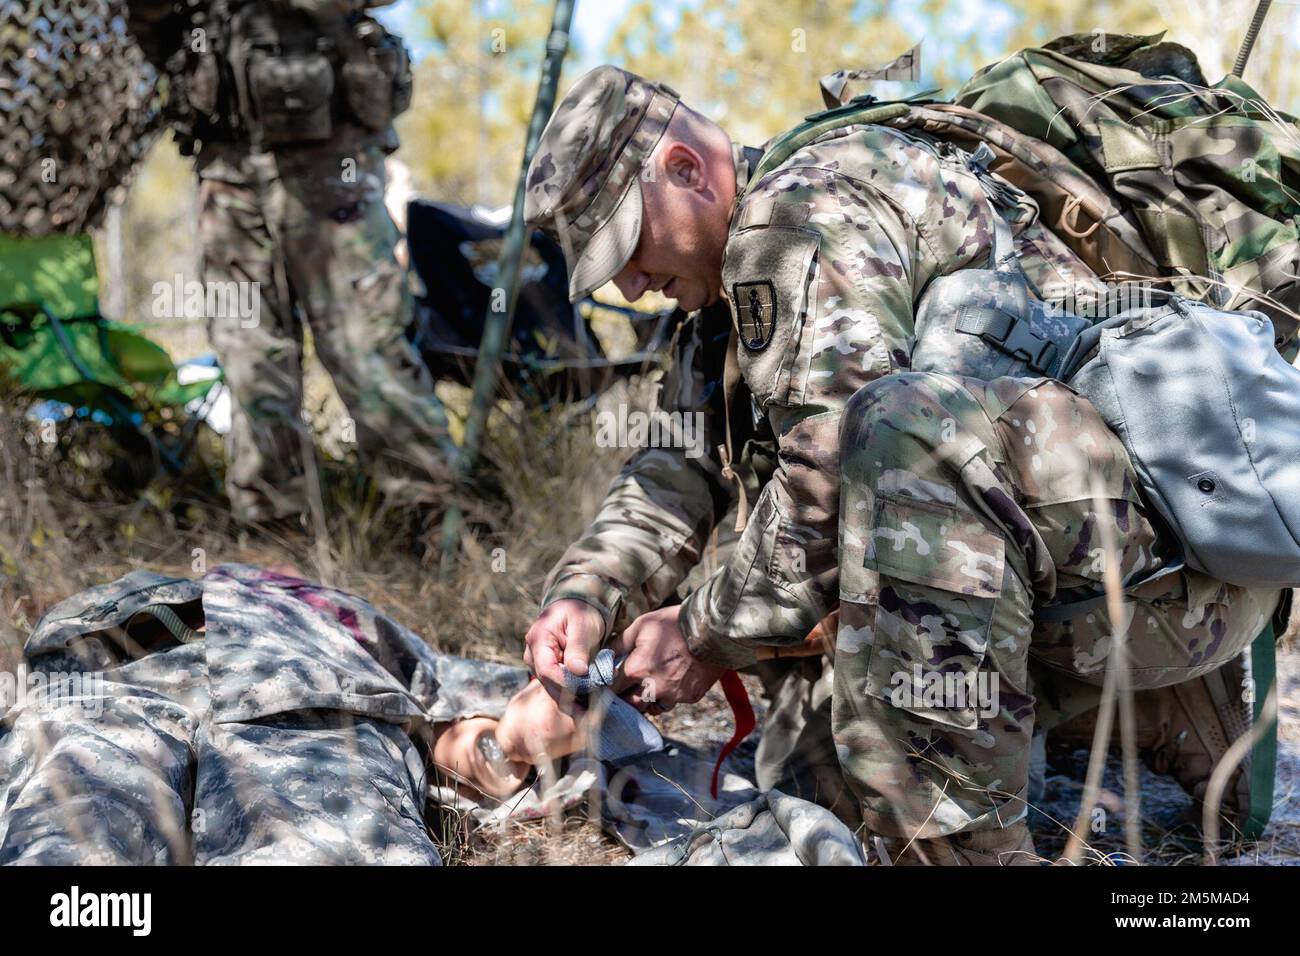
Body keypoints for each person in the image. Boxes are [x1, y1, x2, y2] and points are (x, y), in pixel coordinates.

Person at [518, 65, 1281, 863]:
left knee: (898, 443)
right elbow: (670, 470)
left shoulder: (799, 217)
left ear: (686, 169)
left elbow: (827, 472)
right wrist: (586, 594)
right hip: (1078, 561)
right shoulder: (716, 311)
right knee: (818, 789)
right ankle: (1149, 712)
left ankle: (992, 841)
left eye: (630, 248)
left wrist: (702, 633)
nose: (634, 287)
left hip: (1167, 577)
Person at [126, 0, 453, 524]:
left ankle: (433, 515)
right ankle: (275, 531)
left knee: (364, 343)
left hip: (331, 155)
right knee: (248, 350)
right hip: (228, 161)